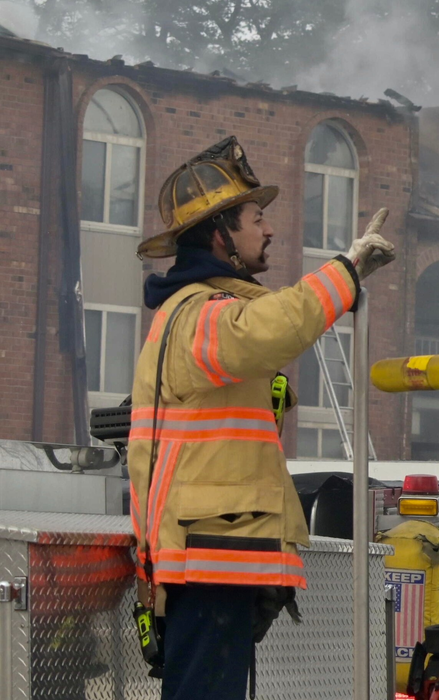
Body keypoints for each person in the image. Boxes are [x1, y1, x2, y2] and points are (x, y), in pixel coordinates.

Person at [127, 137, 396, 698]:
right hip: (207, 558)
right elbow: (273, 328)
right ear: (219, 233)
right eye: (256, 217)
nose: (268, 230)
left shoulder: (199, 310)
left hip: (211, 552)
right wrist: (347, 272)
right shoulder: (203, 314)